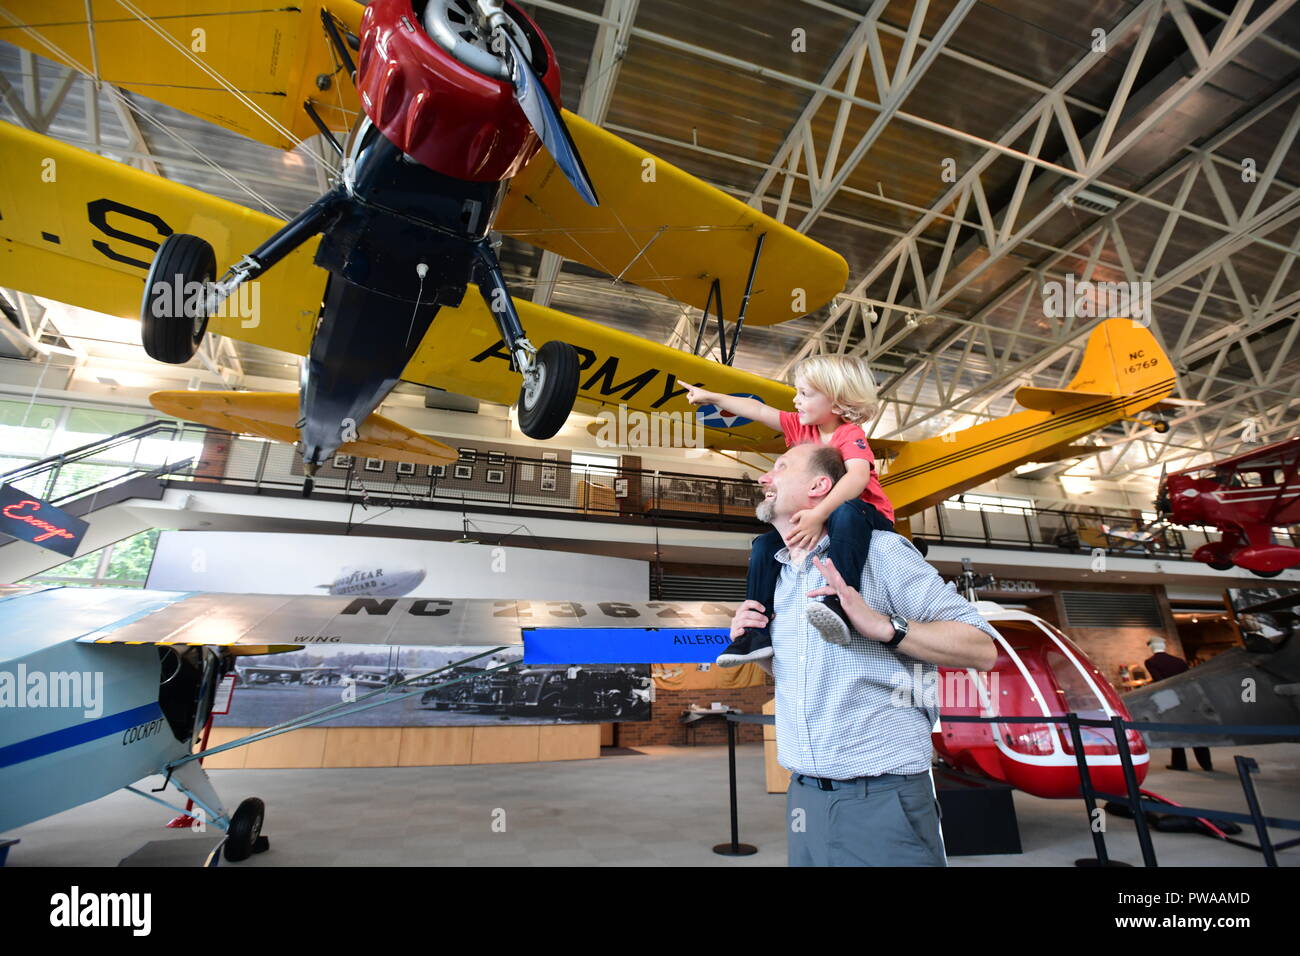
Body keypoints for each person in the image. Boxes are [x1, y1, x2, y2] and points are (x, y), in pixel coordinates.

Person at [731, 443, 998, 866]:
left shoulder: (882, 553)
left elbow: (983, 648)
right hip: (803, 795)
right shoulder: (779, 575)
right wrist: (759, 646)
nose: (765, 478)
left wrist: (884, 627)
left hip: (882, 797)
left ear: (819, 485)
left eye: (780, 468)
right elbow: (803, 672)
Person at [684, 355, 894, 666]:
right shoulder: (800, 427)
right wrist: (712, 397)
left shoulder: (848, 434)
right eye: (796, 391)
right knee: (765, 544)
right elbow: (757, 410)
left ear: (837, 404)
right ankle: (754, 630)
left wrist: (818, 513)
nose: (796, 401)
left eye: (805, 394)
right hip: (826, 515)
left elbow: (858, 477)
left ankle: (838, 601)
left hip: (865, 515)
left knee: (846, 511)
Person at [1144, 637, 1213, 771]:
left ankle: (1180, 763)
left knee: (1174, 732)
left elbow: (1160, 681)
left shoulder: (1151, 662)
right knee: (1196, 730)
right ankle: (1206, 763)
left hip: (1169, 699)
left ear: (1152, 647)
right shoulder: (1179, 661)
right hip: (1186, 696)